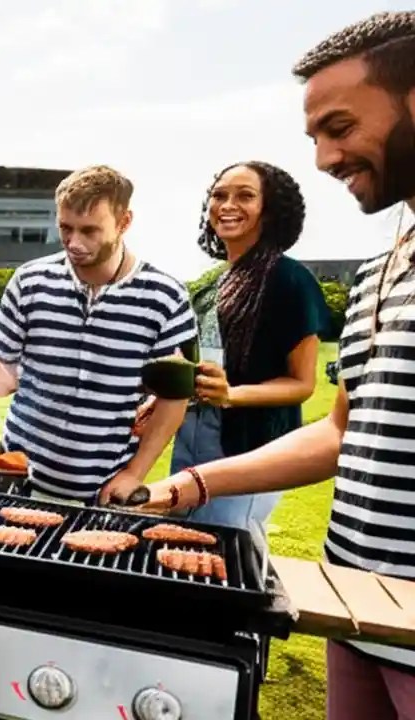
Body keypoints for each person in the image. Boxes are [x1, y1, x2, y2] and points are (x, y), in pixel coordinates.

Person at [137, 11, 415, 720]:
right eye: (315, 136)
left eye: (342, 126)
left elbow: (297, 387)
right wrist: (187, 485)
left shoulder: (289, 279)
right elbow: (342, 433)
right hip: (354, 608)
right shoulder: (380, 267)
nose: (324, 158)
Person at [0, 165, 197, 505]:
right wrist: (4, 374)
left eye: (90, 231)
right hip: (15, 479)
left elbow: (174, 400)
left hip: (101, 492)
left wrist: (134, 474)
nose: (74, 243)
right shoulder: (30, 281)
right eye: (66, 228)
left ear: (124, 223)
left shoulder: (165, 297)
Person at [151, 161, 330, 543]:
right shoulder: (214, 280)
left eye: (245, 195)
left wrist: (231, 394)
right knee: (185, 543)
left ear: (270, 208)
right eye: (219, 195)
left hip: (250, 449)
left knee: (229, 546)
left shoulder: (289, 279)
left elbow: (301, 383)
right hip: (194, 438)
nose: (227, 205)